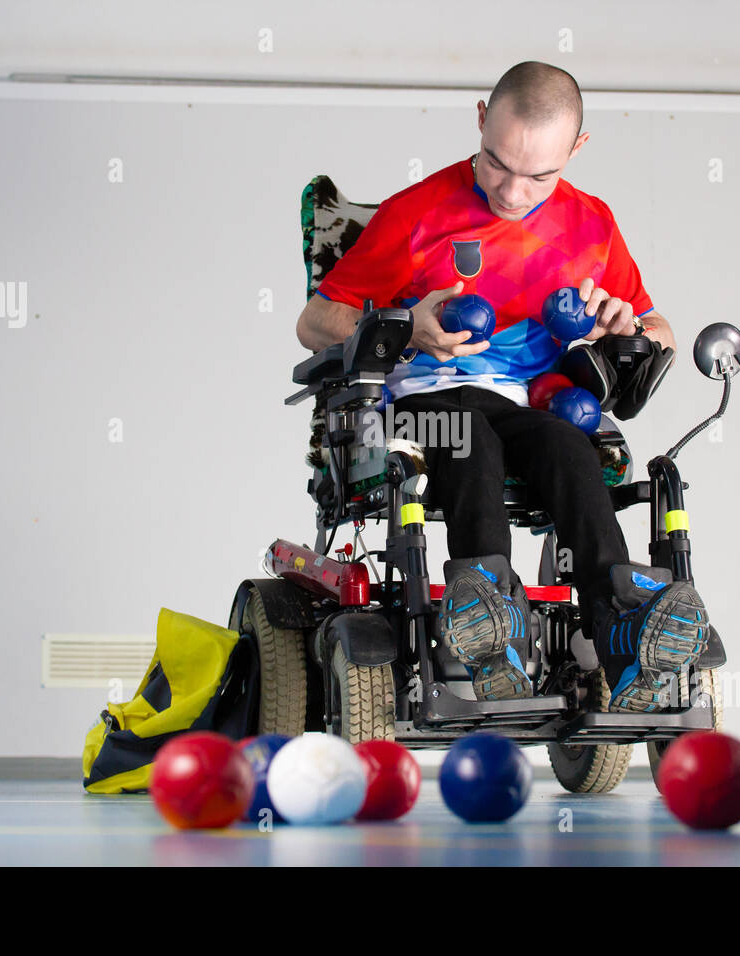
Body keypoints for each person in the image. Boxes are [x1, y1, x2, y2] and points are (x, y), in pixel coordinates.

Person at [295, 61, 709, 713]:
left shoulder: (592, 223)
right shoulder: (416, 213)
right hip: (421, 406)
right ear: (482, 119)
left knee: (570, 449)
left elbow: (660, 328)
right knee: (467, 435)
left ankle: (624, 632)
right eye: (497, 164)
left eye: (539, 174)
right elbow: (315, 322)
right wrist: (406, 327)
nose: (514, 192)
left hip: (525, 403)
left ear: (577, 150)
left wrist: (630, 324)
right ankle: (492, 627)